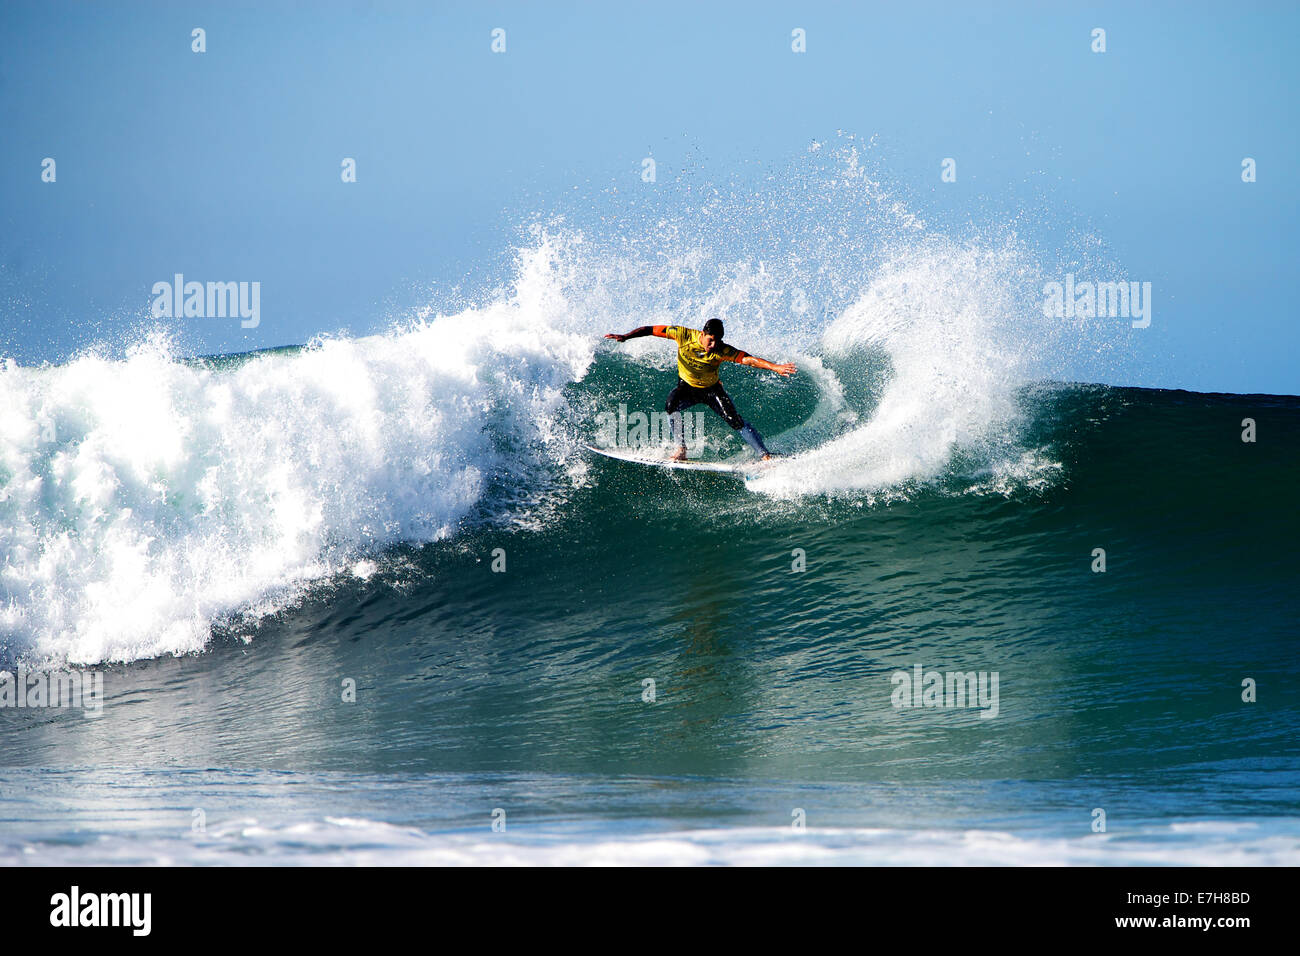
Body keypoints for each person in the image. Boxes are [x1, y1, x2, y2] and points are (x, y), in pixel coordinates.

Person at [604, 318, 796, 460]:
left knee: (734, 420)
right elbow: (650, 329)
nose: (712, 346)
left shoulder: (722, 350)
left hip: (712, 390)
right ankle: (681, 451)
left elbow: (748, 359)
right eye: (710, 340)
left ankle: (764, 455)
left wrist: (775, 367)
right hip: (686, 387)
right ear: (702, 334)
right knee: (671, 405)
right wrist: (626, 336)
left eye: (717, 342)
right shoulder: (683, 334)